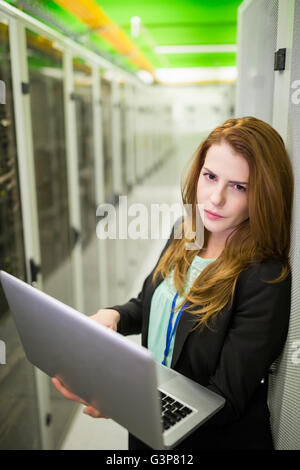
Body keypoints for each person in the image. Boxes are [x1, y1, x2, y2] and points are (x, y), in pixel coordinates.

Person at [52, 116, 293, 450]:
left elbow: (225, 399)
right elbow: (149, 303)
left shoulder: (264, 276)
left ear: (263, 195)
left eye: (239, 186)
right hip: (151, 426)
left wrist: (126, 401)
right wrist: (115, 316)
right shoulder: (188, 230)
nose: (215, 198)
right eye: (210, 177)